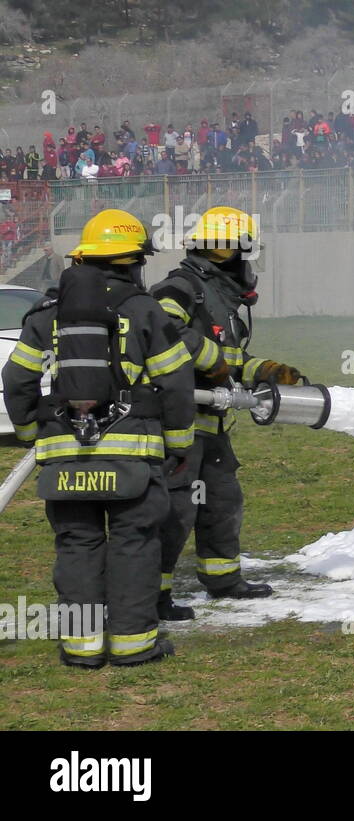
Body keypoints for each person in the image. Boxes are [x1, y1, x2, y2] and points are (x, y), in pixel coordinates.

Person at [2, 209, 194, 667]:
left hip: (64, 457)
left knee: (77, 543)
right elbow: (176, 381)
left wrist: (35, 435)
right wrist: (180, 444)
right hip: (133, 455)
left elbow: (17, 379)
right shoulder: (143, 309)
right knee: (134, 542)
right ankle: (133, 645)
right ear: (129, 262)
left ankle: (82, 646)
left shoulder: (45, 314)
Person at [148, 207, 304, 609]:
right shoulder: (180, 288)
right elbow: (162, 331)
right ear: (227, 252)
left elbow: (228, 359)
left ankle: (222, 578)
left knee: (221, 500)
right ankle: (154, 592)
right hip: (179, 421)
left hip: (212, 422)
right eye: (244, 253)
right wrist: (208, 359)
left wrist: (265, 370)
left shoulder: (219, 296)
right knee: (177, 510)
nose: (248, 264)